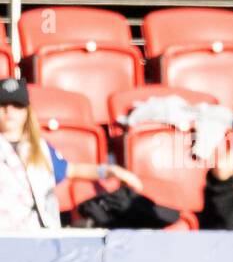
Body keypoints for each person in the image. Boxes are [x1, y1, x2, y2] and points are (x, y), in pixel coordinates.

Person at [0, 76, 143, 232]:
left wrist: (110, 171)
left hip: (42, 235)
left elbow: (71, 169)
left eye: (17, 105)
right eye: (3, 105)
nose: (9, 111)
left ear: (26, 111)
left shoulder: (40, 148)